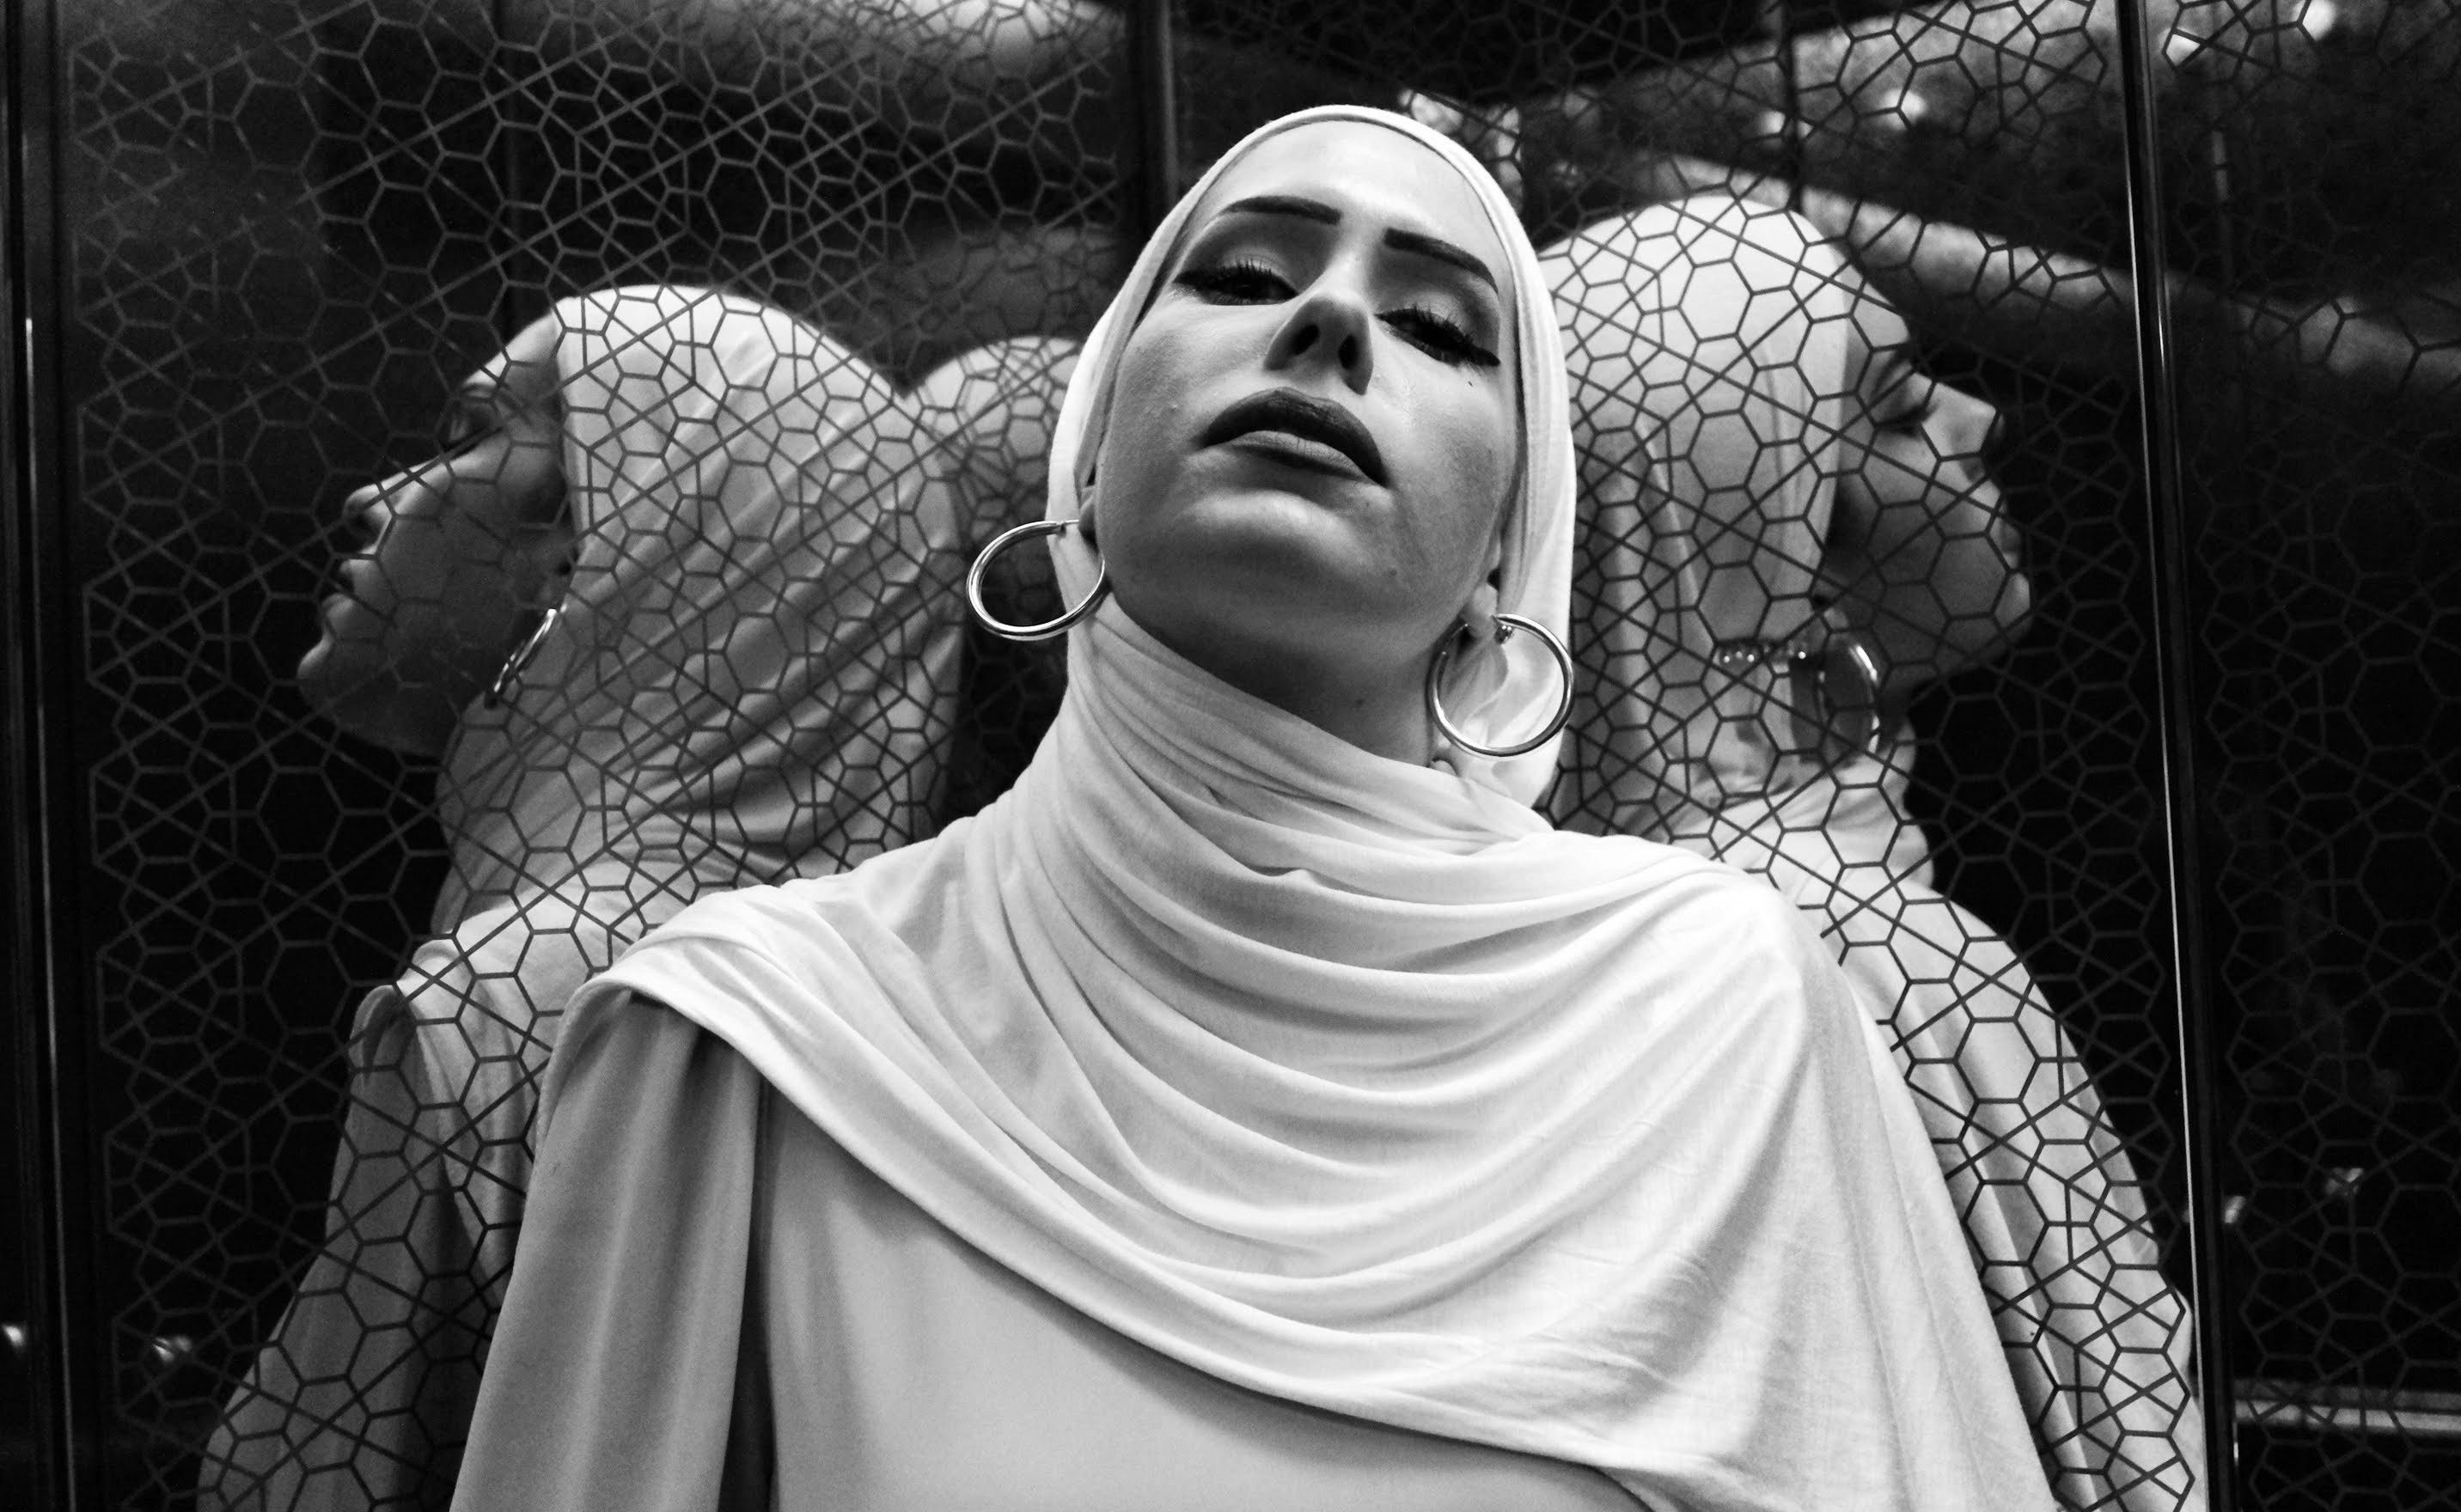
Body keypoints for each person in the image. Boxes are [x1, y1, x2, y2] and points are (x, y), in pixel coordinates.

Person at [447, 106, 2053, 1511]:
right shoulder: (746, 1044)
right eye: (1240, 278)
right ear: (1086, 464)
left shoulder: (1728, 1016)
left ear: (1508, 548)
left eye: (1436, 324)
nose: (1332, 324)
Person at [205, 285, 1036, 1509]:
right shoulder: (964, 1004)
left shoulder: (507, 1006)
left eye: (476, 432)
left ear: (604, 552)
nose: (376, 496)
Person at [1542, 193, 2205, 1512]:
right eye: (1898, 405)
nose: (1978, 419)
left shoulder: (1589, 940)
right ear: (1779, 530)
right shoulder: (1880, 973)